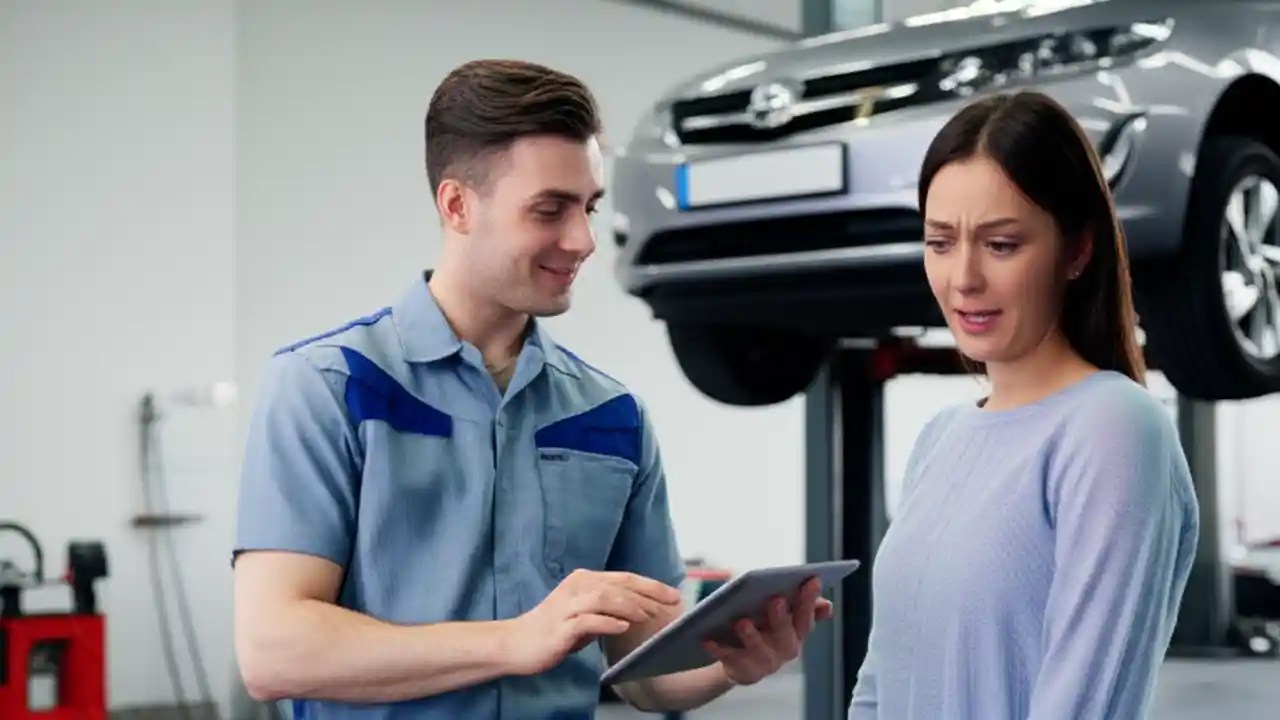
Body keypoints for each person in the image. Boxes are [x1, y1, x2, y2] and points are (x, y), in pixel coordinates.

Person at [231, 58, 831, 720]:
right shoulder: (327, 388)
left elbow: (647, 675)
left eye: (590, 208)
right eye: (550, 210)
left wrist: (733, 663)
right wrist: (513, 641)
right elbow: (274, 652)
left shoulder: (613, 417)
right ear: (457, 205)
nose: (581, 241)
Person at [847, 90, 1200, 719]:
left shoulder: (1114, 428)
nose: (963, 279)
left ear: (1077, 250)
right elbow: (882, 680)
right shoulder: (942, 436)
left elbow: (1082, 702)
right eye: (940, 243)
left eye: (1001, 245)